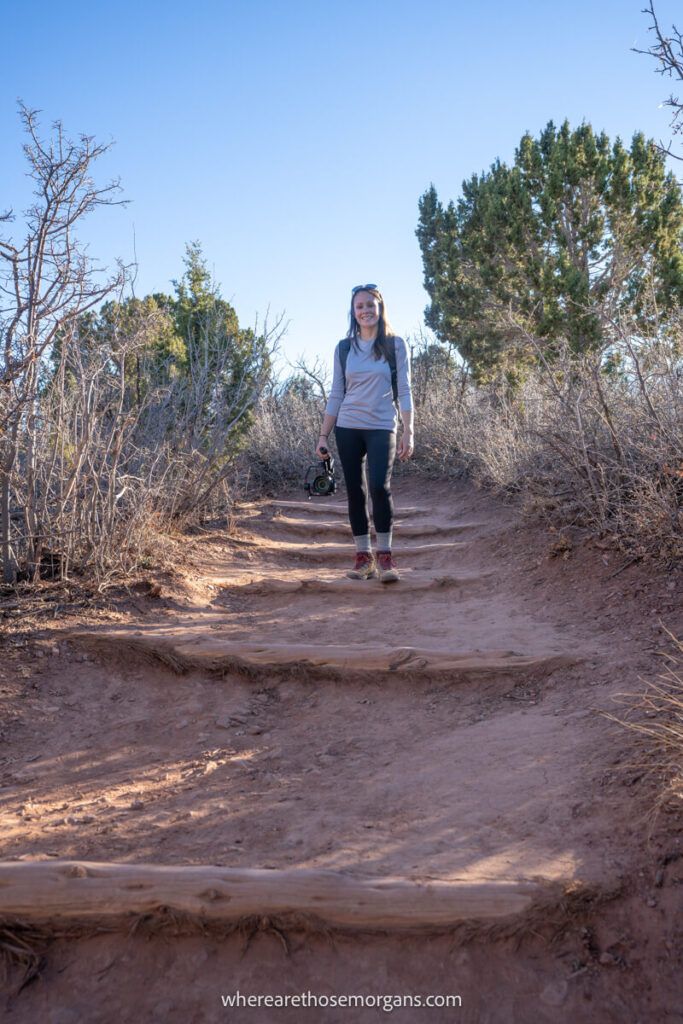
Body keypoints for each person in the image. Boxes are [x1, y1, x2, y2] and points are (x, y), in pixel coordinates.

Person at [316, 284, 414, 583]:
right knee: (356, 492)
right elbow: (336, 393)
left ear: (380, 308)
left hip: (383, 425)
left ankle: (385, 557)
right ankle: (363, 559)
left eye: (370, 305)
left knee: (379, 487)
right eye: (360, 306)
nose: (365, 311)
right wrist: (323, 435)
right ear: (353, 311)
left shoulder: (395, 345)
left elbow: (405, 390)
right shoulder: (344, 348)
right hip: (348, 426)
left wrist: (409, 431)